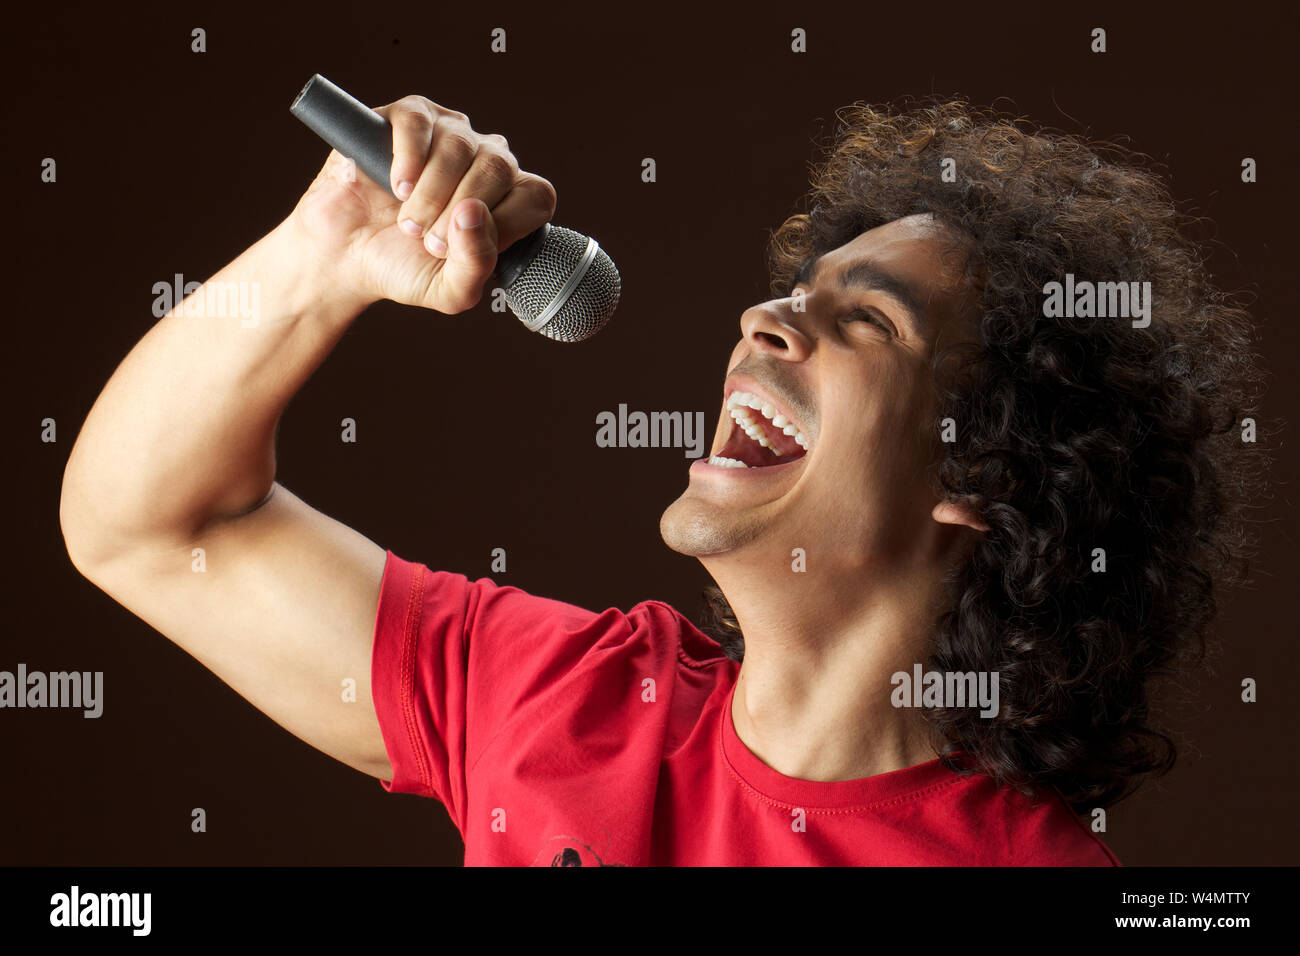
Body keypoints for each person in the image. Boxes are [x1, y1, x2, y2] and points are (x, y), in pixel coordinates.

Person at [59, 93, 1261, 866]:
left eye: (866, 322)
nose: (767, 317)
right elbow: (152, 521)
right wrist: (324, 258)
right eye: (799, 286)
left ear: (982, 468)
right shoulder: (554, 698)